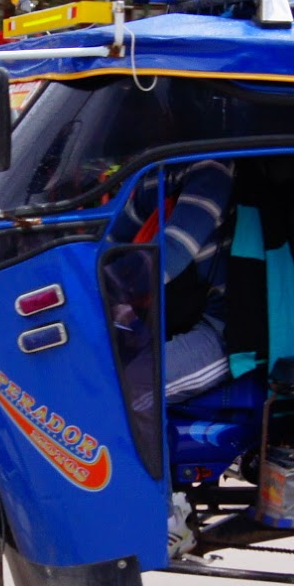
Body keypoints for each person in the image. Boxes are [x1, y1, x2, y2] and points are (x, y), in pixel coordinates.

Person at [109, 158, 236, 404]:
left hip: (220, 329)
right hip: (164, 317)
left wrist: (100, 288)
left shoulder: (211, 168)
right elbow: (111, 241)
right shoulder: (153, 173)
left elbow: (170, 254)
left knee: (118, 391)